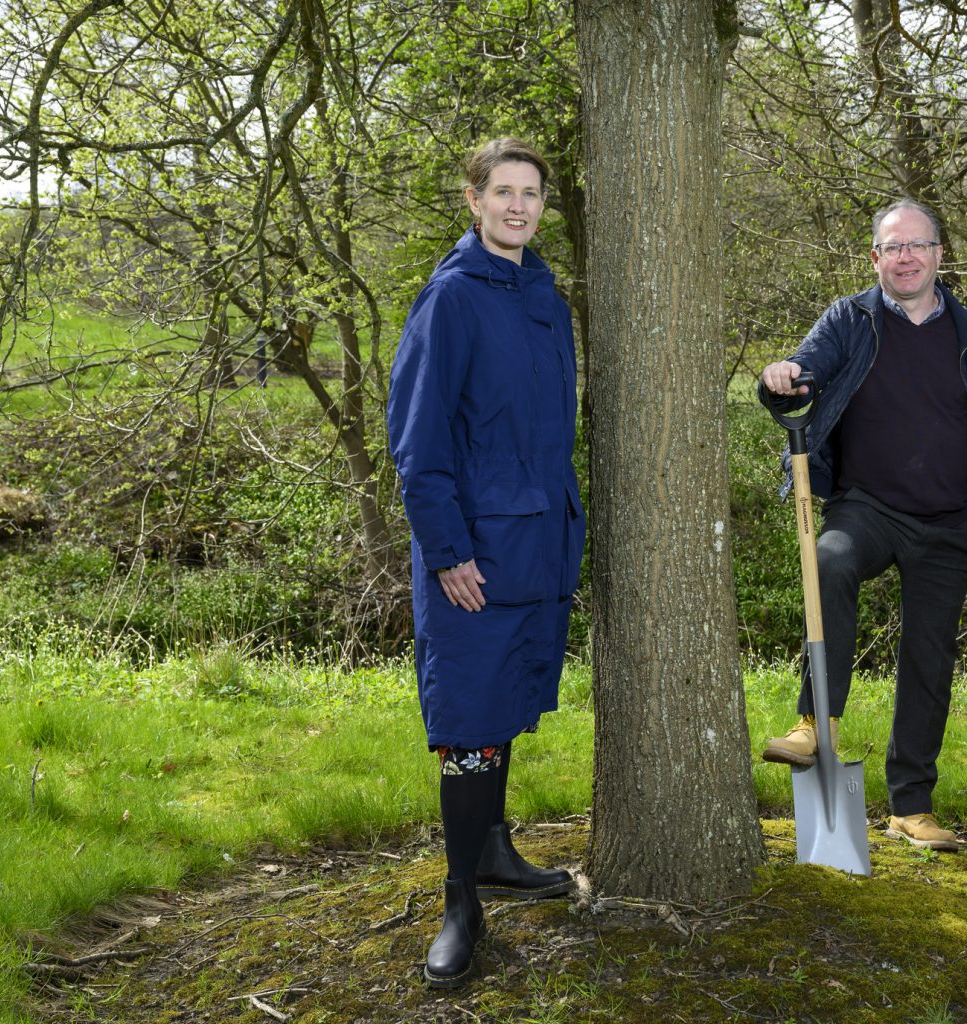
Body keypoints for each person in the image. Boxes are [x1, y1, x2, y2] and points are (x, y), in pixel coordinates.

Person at [386, 138, 585, 989]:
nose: (518, 207)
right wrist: (447, 551)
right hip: (473, 556)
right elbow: (417, 443)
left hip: (537, 543)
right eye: (502, 192)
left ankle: (496, 849)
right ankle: (460, 898)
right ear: (473, 200)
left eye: (530, 194)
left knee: (501, 706)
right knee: (468, 724)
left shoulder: (545, 295)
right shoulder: (451, 301)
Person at [758, 198, 967, 851]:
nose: (905, 258)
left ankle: (911, 805)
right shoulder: (851, 318)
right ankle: (814, 726)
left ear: (938, 256)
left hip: (950, 520)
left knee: (929, 657)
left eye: (917, 246)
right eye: (892, 248)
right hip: (868, 505)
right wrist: (781, 377)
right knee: (831, 560)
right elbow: (800, 376)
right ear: (875, 258)